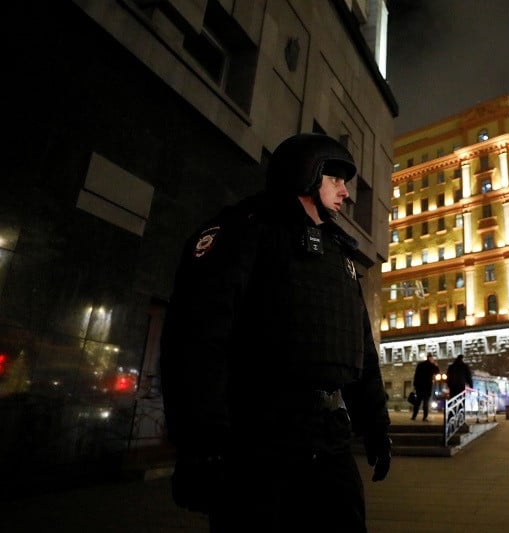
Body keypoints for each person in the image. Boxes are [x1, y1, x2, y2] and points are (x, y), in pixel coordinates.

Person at [159, 133, 391, 532]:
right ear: (306, 173)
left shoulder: (341, 256)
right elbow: (197, 341)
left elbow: (360, 351)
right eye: (335, 178)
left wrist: (376, 425)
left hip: (330, 439)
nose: (346, 192)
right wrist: (203, 443)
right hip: (258, 438)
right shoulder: (244, 231)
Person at [411, 354, 439, 421]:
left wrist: (415, 385)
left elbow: (416, 375)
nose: (432, 359)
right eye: (432, 358)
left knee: (418, 402)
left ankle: (414, 416)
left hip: (419, 386)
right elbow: (437, 372)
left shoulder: (420, 365)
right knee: (425, 402)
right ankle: (425, 417)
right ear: (430, 358)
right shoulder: (431, 365)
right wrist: (436, 365)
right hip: (427, 386)